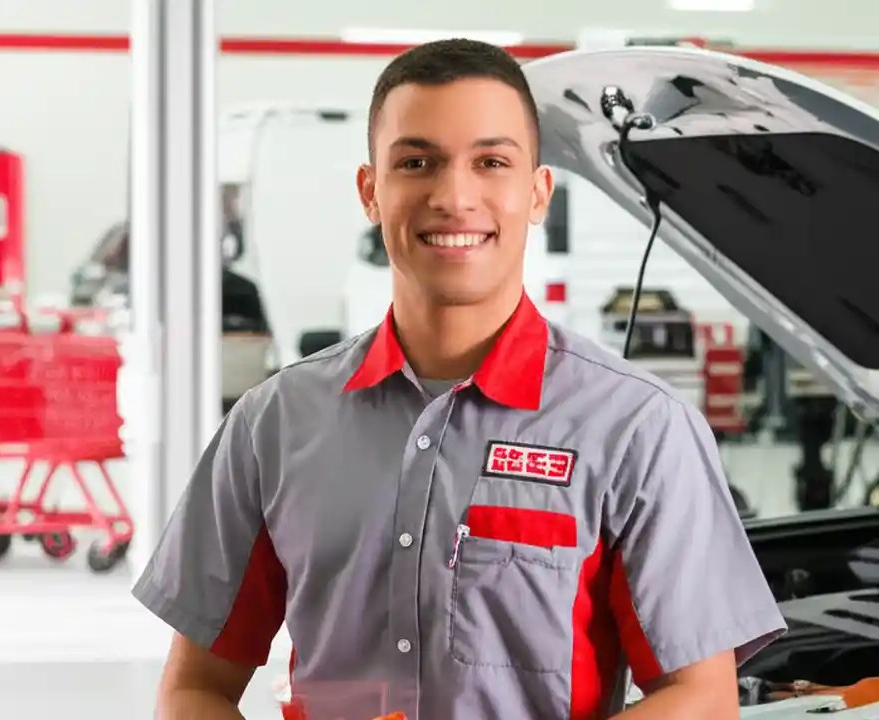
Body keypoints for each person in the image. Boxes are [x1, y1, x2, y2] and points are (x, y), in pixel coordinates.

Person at [131, 38, 787, 719]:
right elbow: (195, 688)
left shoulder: (636, 429)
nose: (453, 195)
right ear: (370, 191)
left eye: (491, 162)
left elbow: (701, 699)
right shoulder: (274, 424)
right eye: (417, 162)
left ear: (537, 192)